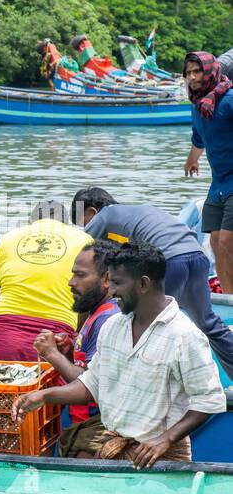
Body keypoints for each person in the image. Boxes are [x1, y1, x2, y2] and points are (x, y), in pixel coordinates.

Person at [12, 243, 224, 467]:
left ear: (143, 283)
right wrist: (44, 396)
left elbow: (209, 400)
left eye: (117, 283)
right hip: (113, 445)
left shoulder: (184, 335)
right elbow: (93, 383)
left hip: (158, 458)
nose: (111, 291)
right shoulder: (113, 326)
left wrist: (165, 439)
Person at [72, 186, 233, 379]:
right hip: (196, 257)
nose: (86, 228)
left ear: (92, 211)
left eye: (84, 223)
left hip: (170, 261)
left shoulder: (103, 217)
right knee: (208, 323)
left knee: (148, 325)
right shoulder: (134, 213)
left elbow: (86, 259)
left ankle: (144, 382)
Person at [29, 241, 120, 456]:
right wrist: (70, 352)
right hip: (83, 423)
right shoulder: (96, 312)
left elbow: (92, 385)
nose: (71, 282)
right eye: (72, 275)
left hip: (96, 427)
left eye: (80, 275)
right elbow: (90, 366)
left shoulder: (107, 318)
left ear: (106, 279)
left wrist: (51, 354)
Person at [0, 200, 93, 362]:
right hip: (56, 339)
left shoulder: (7, 238)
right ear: (66, 224)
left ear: (30, 222)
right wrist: (74, 335)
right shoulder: (84, 240)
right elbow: (87, 301)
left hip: (2, 335)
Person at [183, 51, 233, 290]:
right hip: (219, 184)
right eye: (189, 73)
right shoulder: (197, 106)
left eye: (197, 72)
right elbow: (198, 137)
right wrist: (192, 159)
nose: (193, 78)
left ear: (211, 72)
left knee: (226, 239)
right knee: (214, 241)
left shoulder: (230, 99)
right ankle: (229, 298)